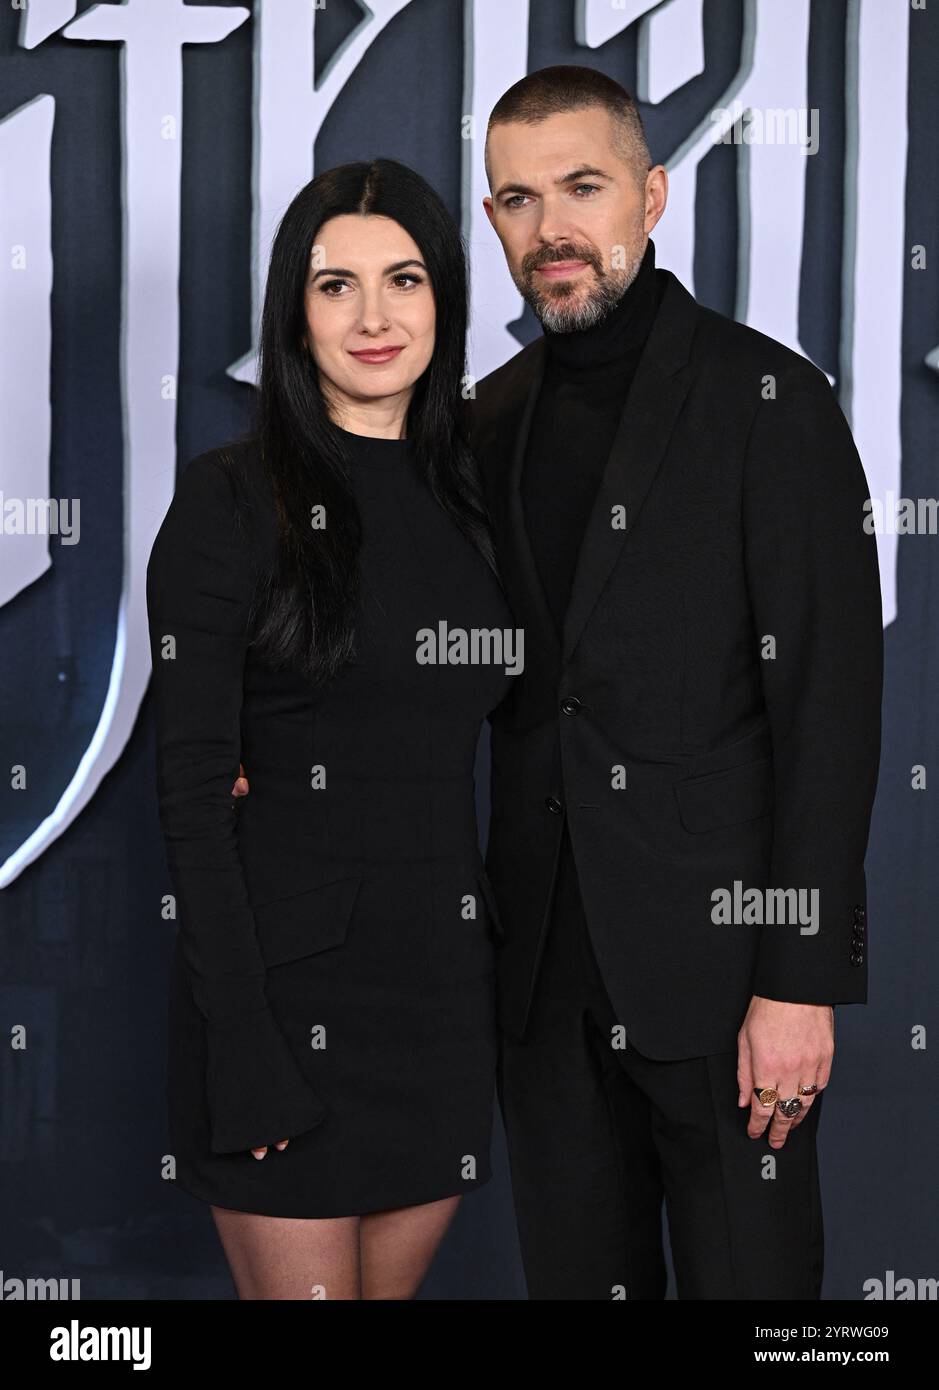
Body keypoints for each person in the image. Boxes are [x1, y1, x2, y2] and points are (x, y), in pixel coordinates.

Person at [467, 65, 883, 1299]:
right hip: (542, 975)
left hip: (725, 984)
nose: (552, 230)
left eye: (582, 188)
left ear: (650, 197)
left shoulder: (774, 403)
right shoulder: (484, 421)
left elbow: (831, 706)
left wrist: (798, 984)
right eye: (516, 201)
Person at [145, 159, 514, 1299]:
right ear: (292, 316)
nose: (373, 316)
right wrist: (245, 1050)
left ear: (445, 296)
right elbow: (194, 800)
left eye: (402, 278)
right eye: (333, 285)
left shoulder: (481, 497)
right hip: (283, 1004)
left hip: (442, 1002)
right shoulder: (228, 499)